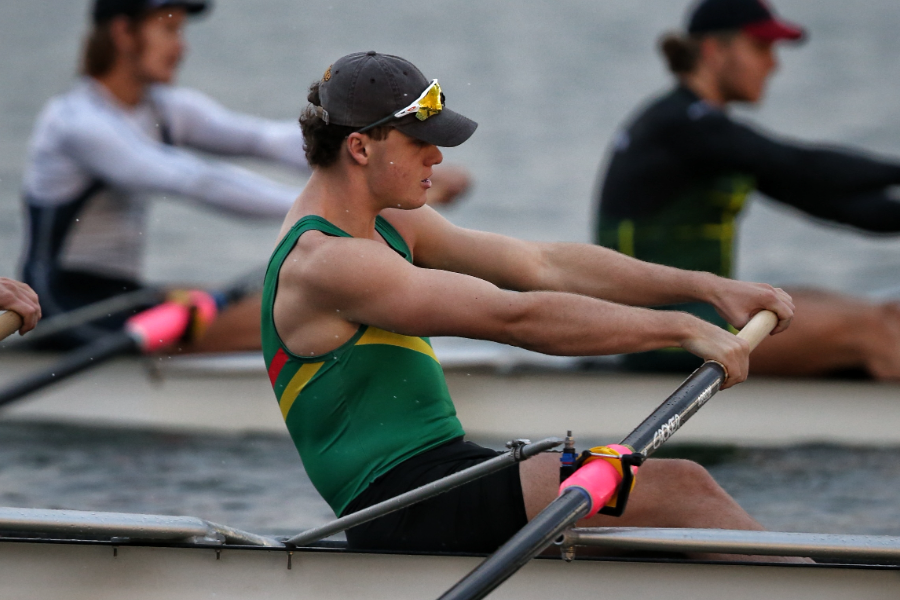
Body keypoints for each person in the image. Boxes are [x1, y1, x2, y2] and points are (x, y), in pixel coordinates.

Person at [262, 51, 798, 559]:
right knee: (683, 487)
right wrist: (681, 329)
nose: (438, 156)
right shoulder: (327, 262)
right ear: (361, 148)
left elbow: (543, 265)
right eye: (419, 140)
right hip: (401, 508)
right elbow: (514, 316)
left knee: (660, 531)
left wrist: (706, 287)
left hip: (450, 477)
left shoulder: (386, 223)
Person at [20, 0, 470, 352]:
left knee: (293, 301)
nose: (182, 46)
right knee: (294, 306)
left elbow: (263, 140)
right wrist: (339, 207)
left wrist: (379, 157)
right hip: (63, 309)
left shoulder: (164, 108)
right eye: (168, 29)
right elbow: (194, 181)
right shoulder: (77, 123)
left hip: (121, 298)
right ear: (122, 33)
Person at [594, 0, 900, 380]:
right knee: (875, 330)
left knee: (892, 316)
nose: (773, 64)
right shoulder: (681, 126)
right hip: (655, 332)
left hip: (701, 316)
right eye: (761, 48)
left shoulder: (712, 137)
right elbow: (801, 164)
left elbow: (834, 201)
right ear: (713, 50)